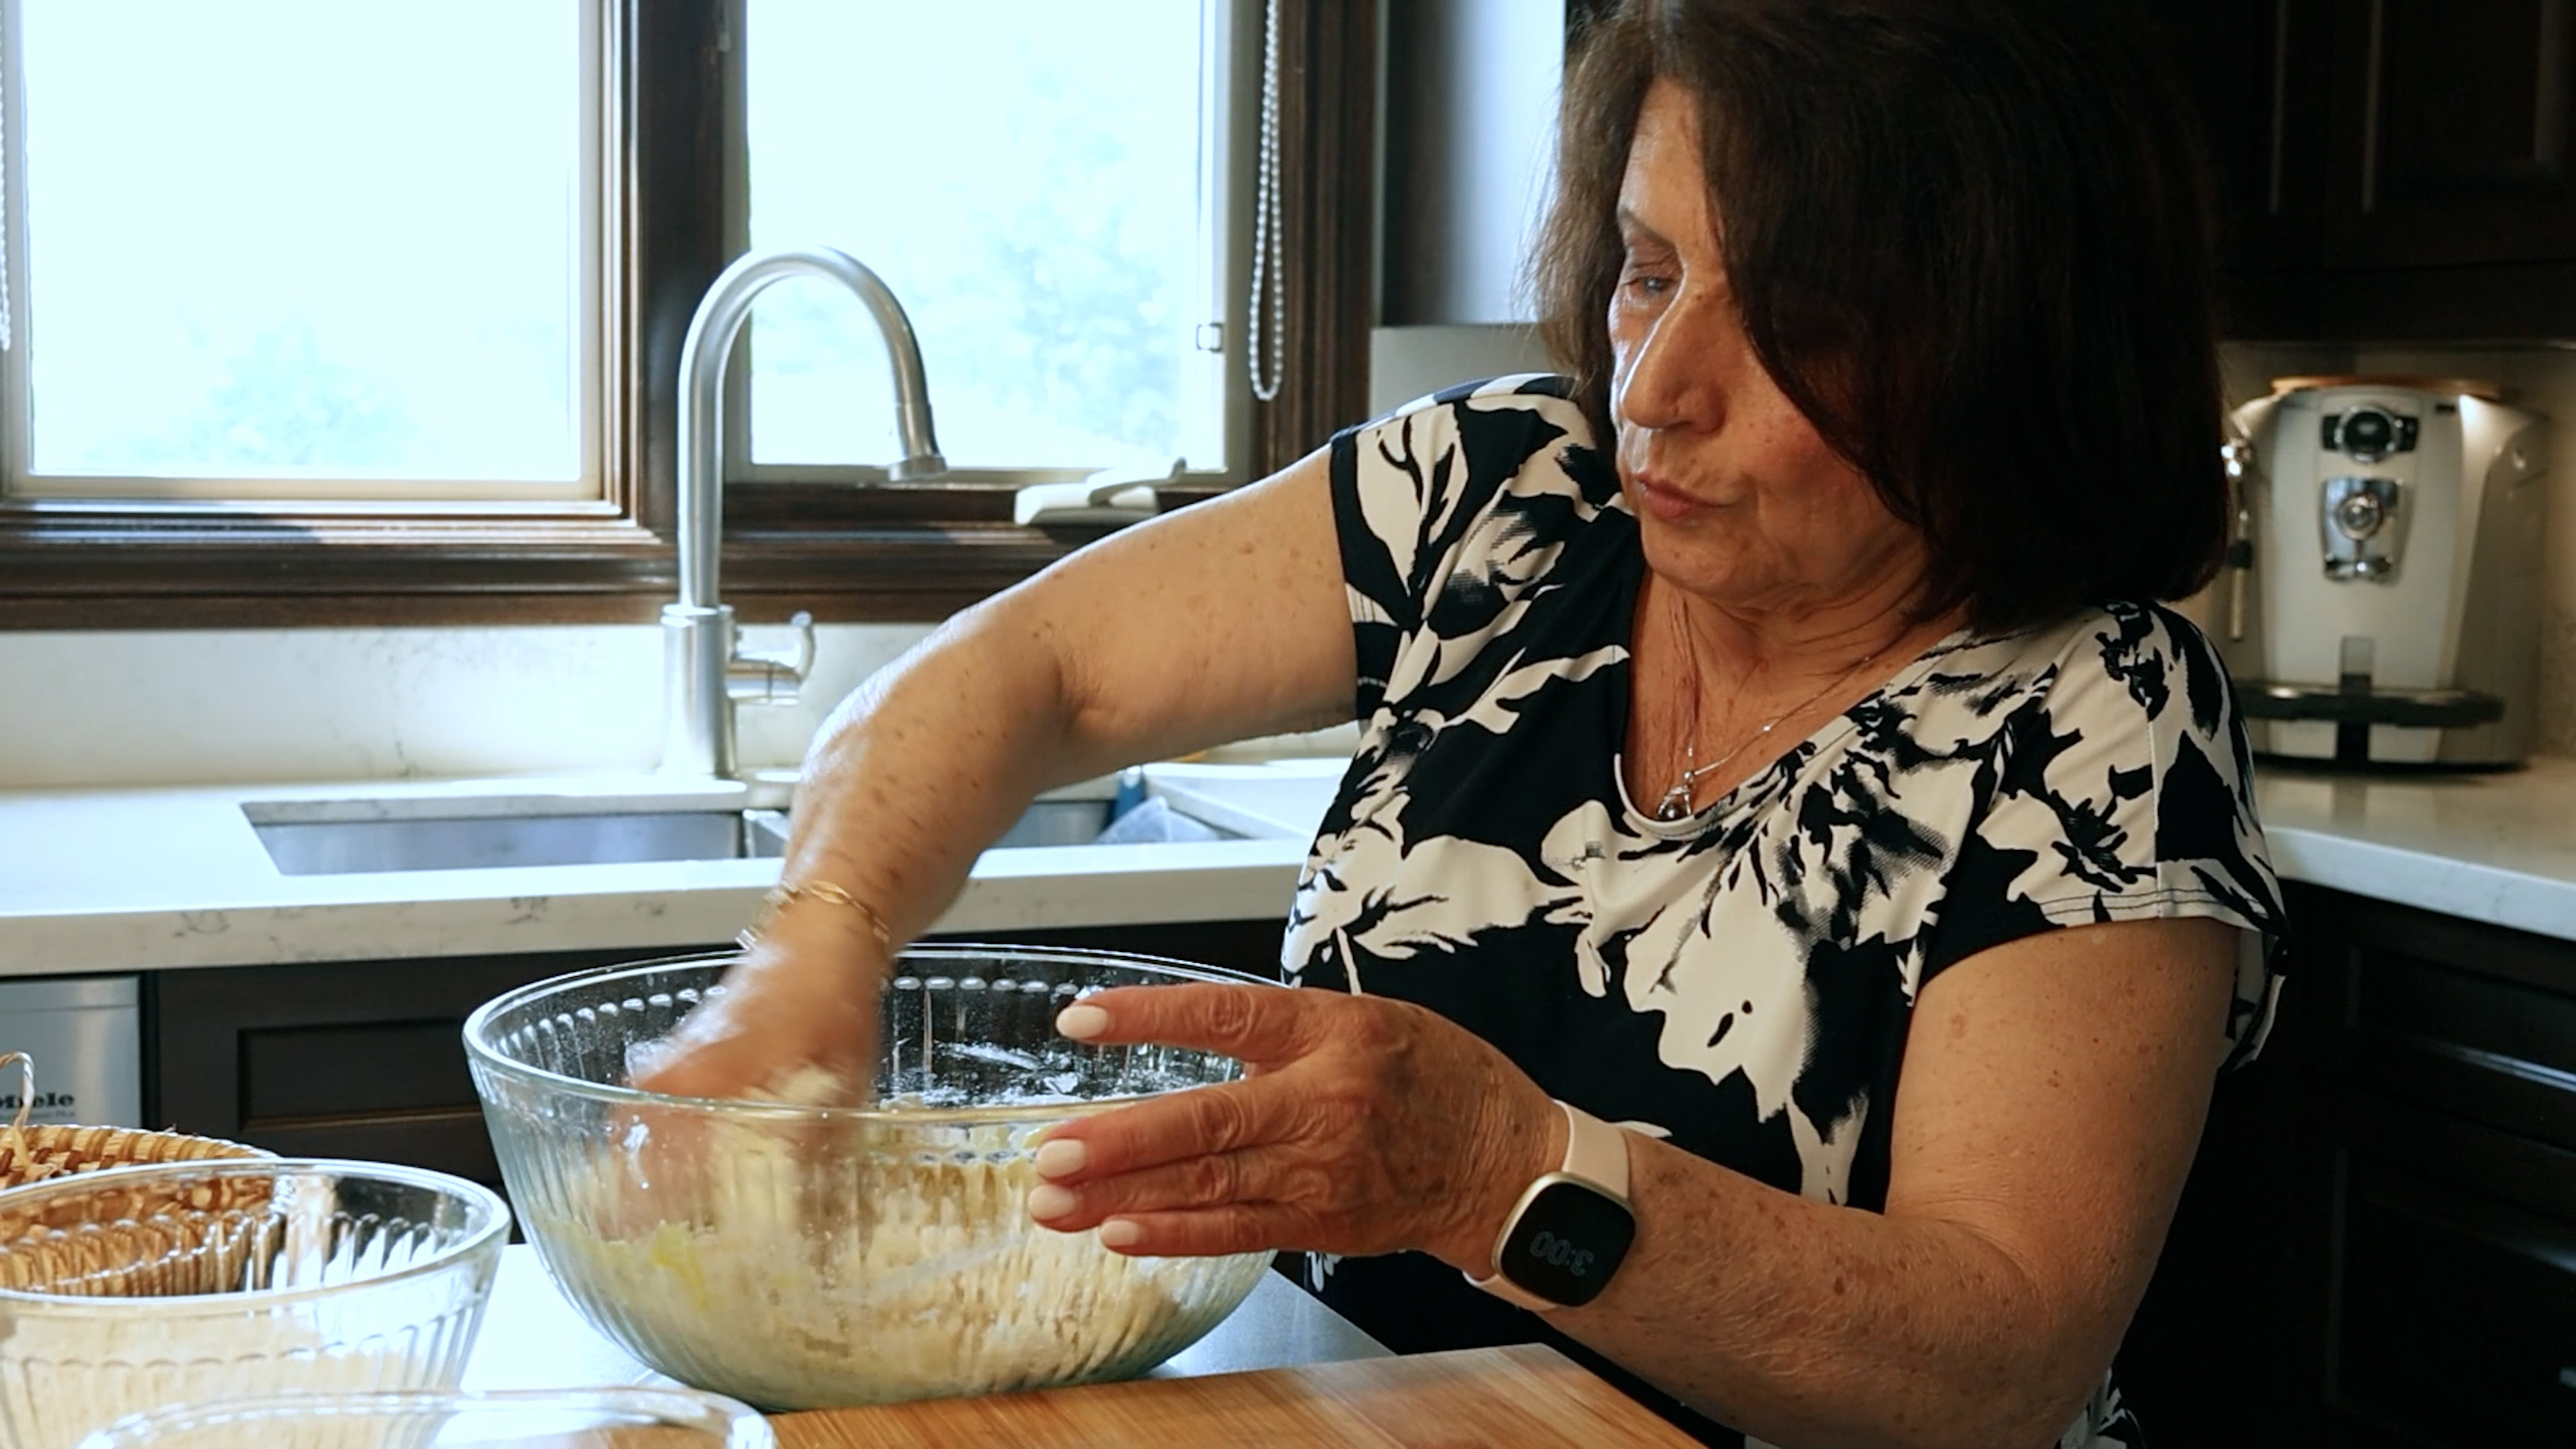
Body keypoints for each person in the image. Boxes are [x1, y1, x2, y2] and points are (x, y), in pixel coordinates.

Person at [637, 1, 2286, 1444]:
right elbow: (1026, 666)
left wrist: (1503, 1171)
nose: (1651, 385)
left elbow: (1993, 1355)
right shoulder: (1511, 497)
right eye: (1647, 272)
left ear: (2001, 344)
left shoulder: (2098, 716)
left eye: (1796, 320)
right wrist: (818, 946)